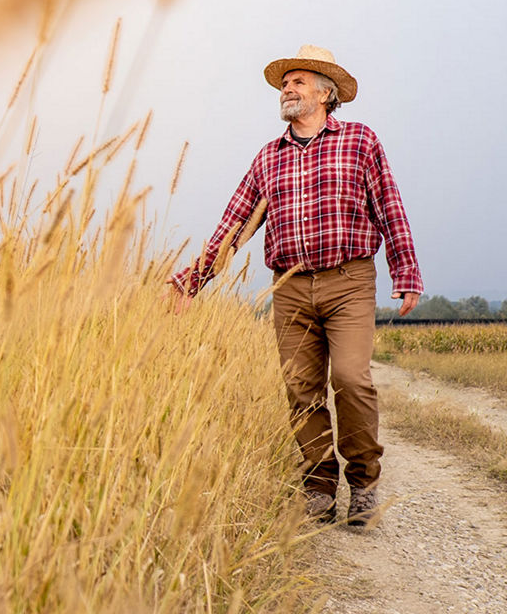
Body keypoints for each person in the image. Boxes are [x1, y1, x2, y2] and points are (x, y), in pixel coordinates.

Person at [167, 45, 423, 526]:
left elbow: (390, 206)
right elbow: (234, 226)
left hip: (348, 281)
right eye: (286, 82)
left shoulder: (360, 142)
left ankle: (364, 483)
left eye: (300, 80)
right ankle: (319, 487)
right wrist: (190, 281)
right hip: (288, 288)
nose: (288, 87)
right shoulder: (268, 158)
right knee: (301, 390)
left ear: (326, 94)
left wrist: (405, 270)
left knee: (350, 379)